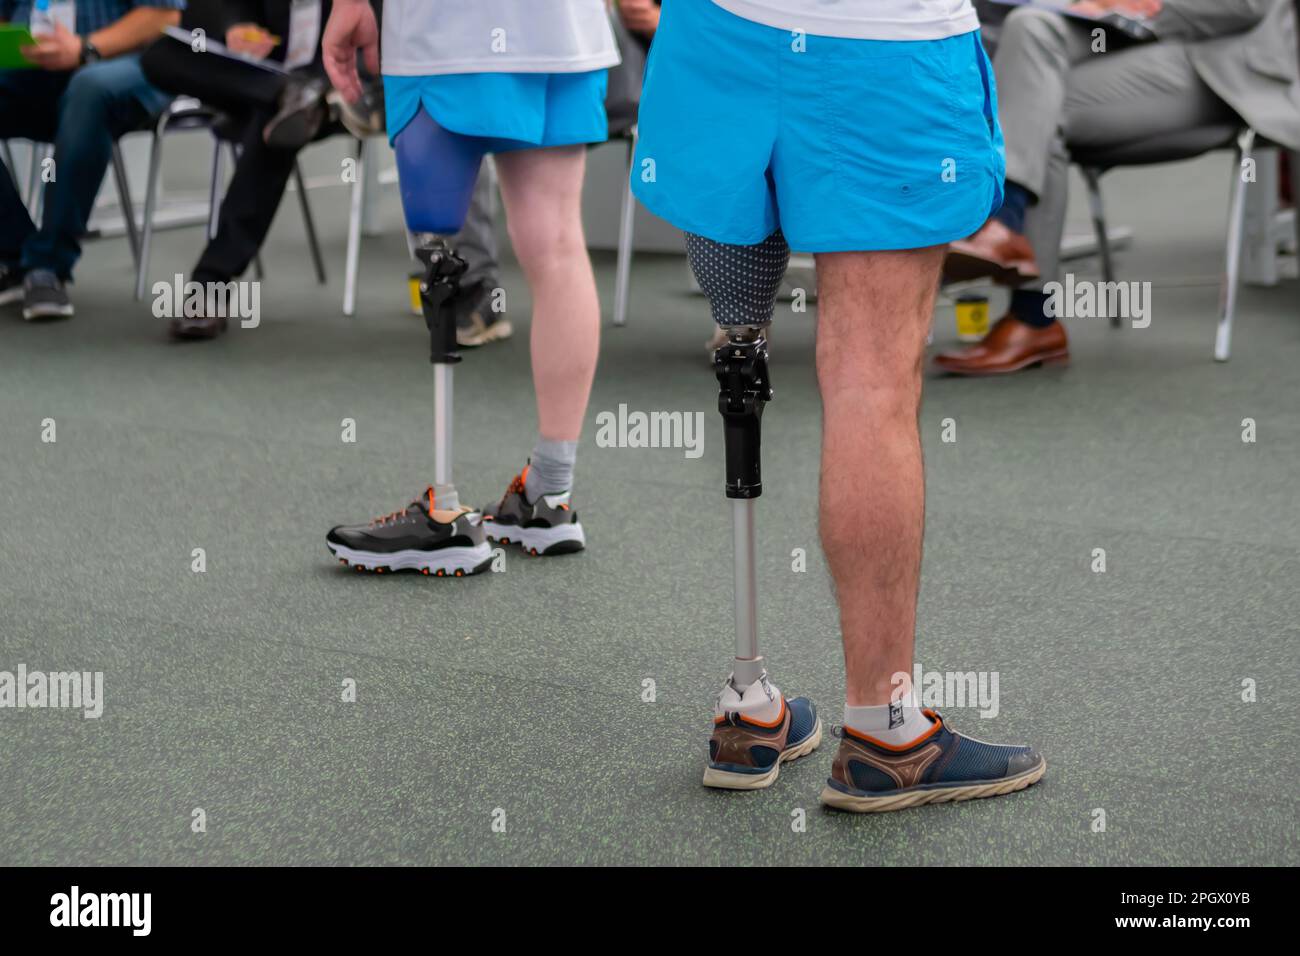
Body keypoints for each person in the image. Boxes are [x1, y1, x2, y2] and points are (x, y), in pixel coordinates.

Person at [632, 0, 1046, 810]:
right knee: (870, 381)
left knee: (739, 342)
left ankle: (749, 706)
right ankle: (886, 732)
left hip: (717, 42)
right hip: (882, 47)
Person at [320, 0, 617, 575]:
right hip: (565, 31)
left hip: (450, 33)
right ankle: (548, 497)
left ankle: (444, 511)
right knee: (557, 244)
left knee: (436, 246)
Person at [936, 0, 1300, 375]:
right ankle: (1007, 249)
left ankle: (1029, 304)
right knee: (1030, 27)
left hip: (1216, 57)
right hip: (1113, 33)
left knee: (1038, 108)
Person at [0, 0, 184, 320]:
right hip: (35, 66)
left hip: (128, 62)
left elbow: (164, 13)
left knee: (90, 87)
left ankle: (48, 265)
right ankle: (14, 254)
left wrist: (84, 48)